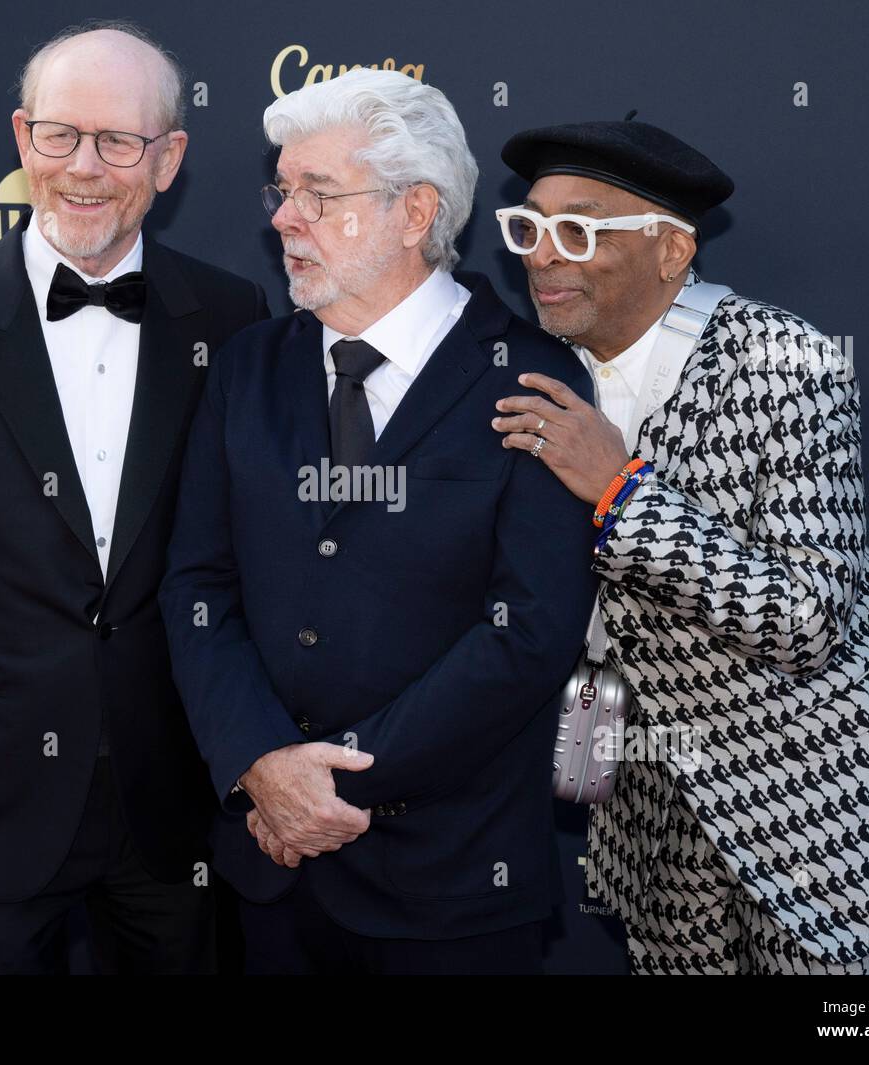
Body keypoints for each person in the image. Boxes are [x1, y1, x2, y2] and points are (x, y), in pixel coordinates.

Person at [0, 21, 269, 974]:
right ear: (24, 139)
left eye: (119, 142)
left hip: (173, 803)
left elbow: (246, 561)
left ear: (169, 159)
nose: (85, 167)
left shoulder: (232, 318)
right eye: (61, 135)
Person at [490, 116, 869, 974]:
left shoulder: (790, 366)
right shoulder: (527, 371)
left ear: (671, 251)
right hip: (651, 811)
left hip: (814, 813)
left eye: (578, 229)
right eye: (527, 227)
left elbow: (808, 619)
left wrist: (621, 493)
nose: (541, 255)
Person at [158, 69, 597, 975]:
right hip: (269, 877)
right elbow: (199, 585)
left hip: (454, 887)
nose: (283, 218)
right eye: (283, 191)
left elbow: (530, 632)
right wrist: (263, 766)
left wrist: (324, 781)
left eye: (319, 194)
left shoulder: (530, 377)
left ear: (414, 211)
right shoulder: (248, 366)